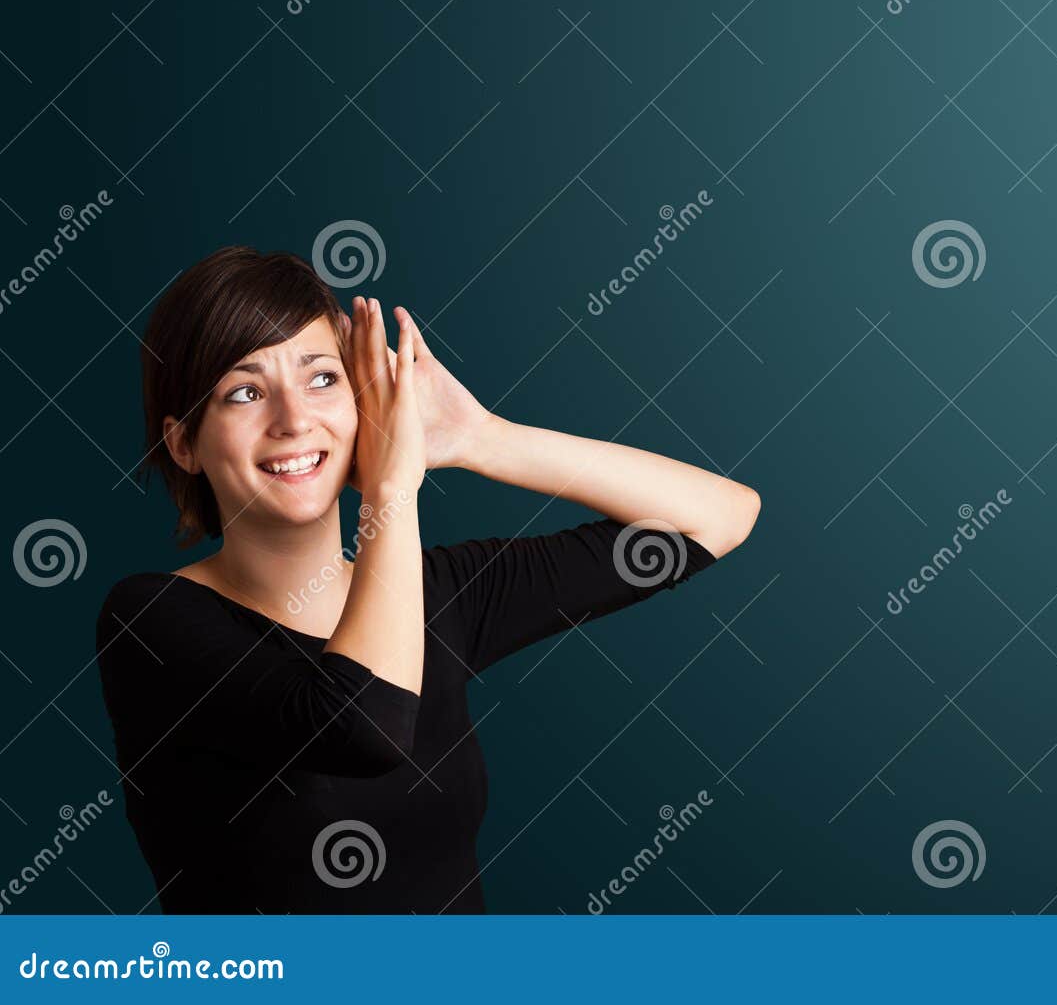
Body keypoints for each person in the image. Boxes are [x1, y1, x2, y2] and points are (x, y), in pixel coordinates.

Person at [93, 246, 760, 912]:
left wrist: (481, 438)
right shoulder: (150, 621)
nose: (293, 420)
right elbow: (363, 725)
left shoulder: (438, 595)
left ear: (362, 404)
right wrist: (392, 489)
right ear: (184, 443)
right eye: (245, 391)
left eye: (321, 378)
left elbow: (718, 517)